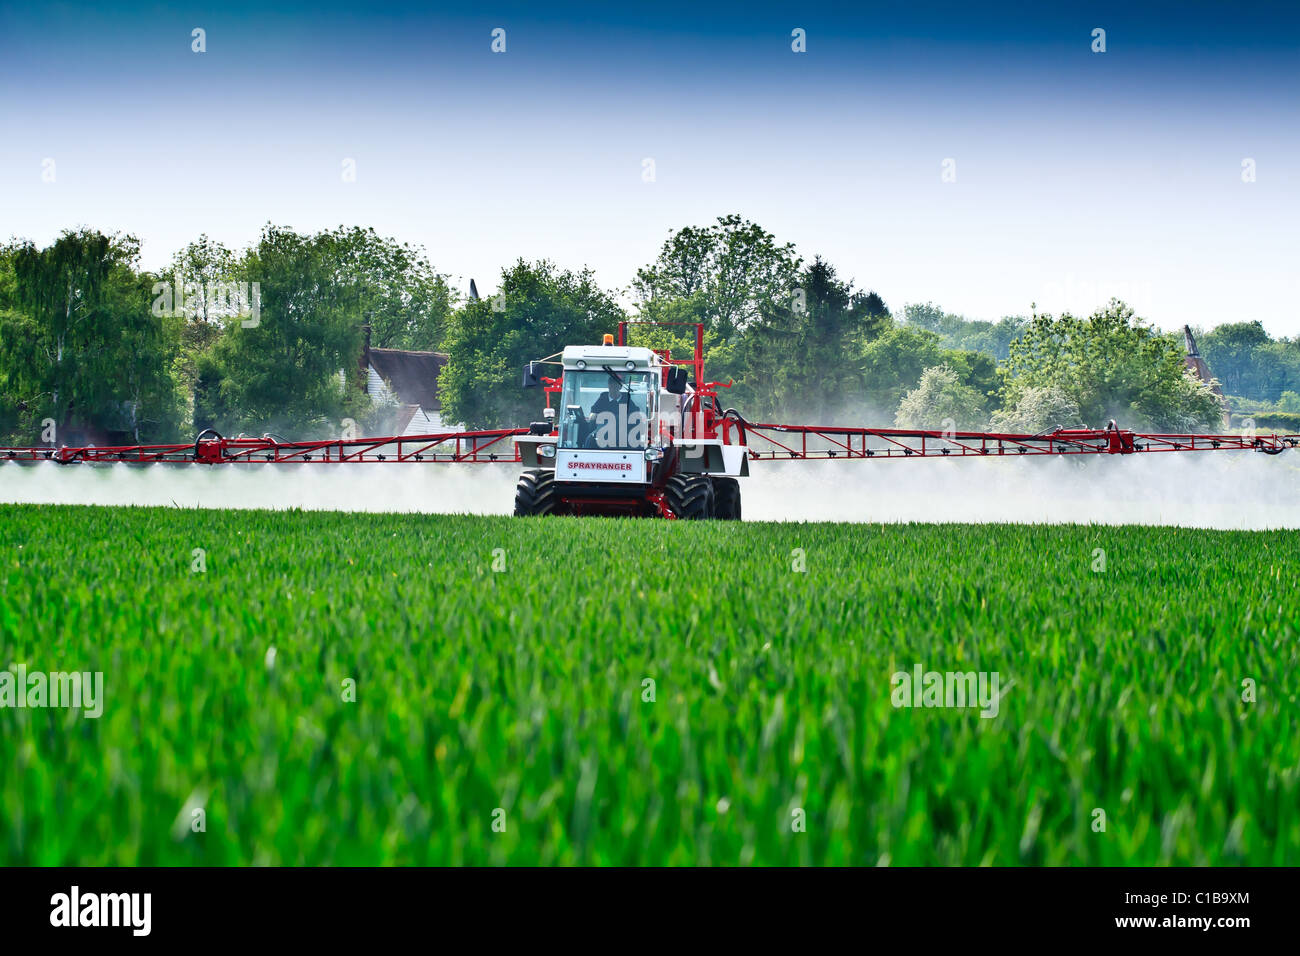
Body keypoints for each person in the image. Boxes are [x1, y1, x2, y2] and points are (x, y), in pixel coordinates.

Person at [585, 375, 641, 448]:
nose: (613, 389)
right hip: (603, 430)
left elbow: (635, 415)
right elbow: (593, 413)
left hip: (622, 432)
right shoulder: (603, 398)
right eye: (611, 386)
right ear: (608, 386)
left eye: (615, 386)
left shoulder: (626, 399)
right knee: (589, 439)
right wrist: (593, 416)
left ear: (620, 387)